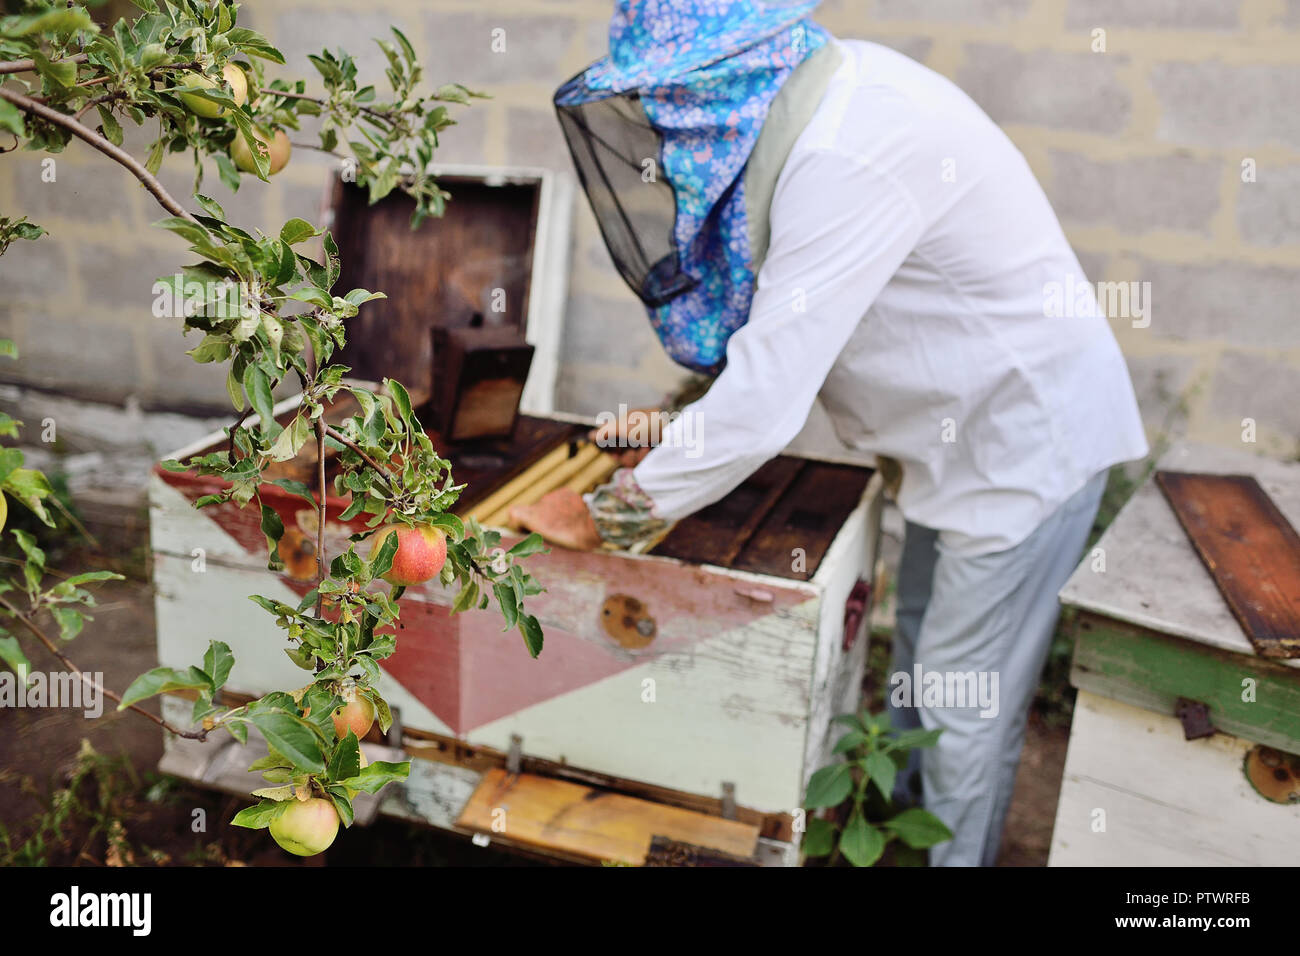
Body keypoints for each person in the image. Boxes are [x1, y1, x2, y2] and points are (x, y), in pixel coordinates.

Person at [513, 0, 1148, 866]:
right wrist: (670, 433)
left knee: (963, 704)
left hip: (1022, 447)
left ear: (720, 74)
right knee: (922, 663)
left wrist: (610, 514)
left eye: (670, 97)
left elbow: (769, 400)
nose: (662, 125)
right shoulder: (818, 107)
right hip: (952, 447)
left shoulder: (847, 153)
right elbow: (774, 340)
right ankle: (904, 838)